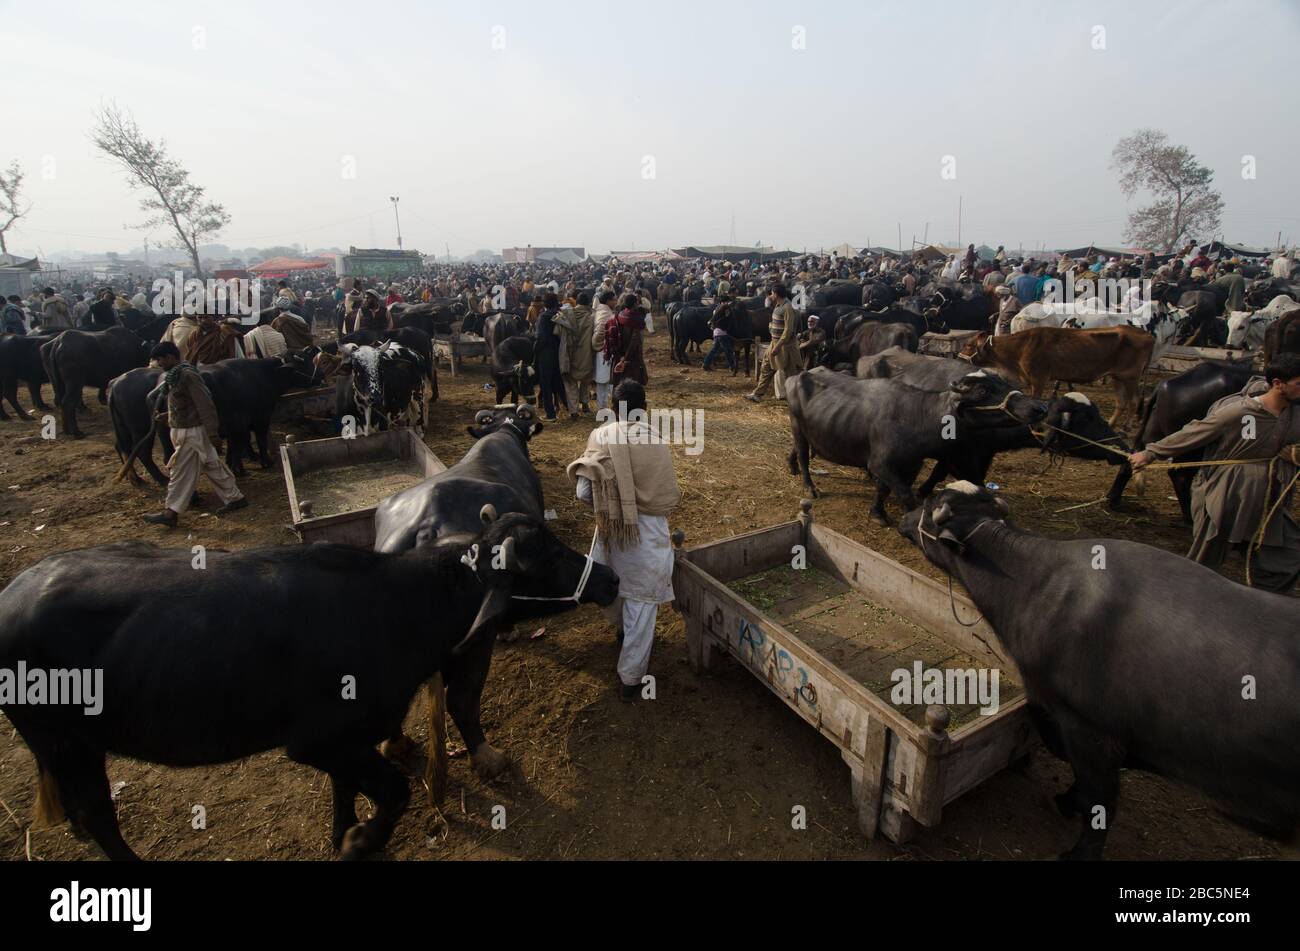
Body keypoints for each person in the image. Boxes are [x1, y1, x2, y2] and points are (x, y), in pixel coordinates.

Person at [1129, 353, 1300, 593]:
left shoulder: (1295, 416)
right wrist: (1150, 453)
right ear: (1278, 384)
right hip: (1227, 490)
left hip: (1268, 496)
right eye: (1299, 383)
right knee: (1204, 559)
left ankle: (1264, 601)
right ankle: (1182, 600)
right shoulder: (1239, 412)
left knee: (1290, 553)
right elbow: (1195, 432)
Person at [567, 380, 681, 702]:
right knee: (642, 607)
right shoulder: (656, 438)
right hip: (650, 537)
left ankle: (620, 632)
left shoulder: (601, 436)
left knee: (614, 587)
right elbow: (669, 496)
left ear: (613, 407)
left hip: (611, 533)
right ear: (644, 408)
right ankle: (631, 679)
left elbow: (583, 492)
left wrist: (612, 508)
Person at [142, 342, 247, 528]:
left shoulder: (187, 376)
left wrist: (213, 434)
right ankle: (235, 497)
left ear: (172, 357)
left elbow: (205, 405)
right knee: (212, 464)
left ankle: (171, 512)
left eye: (161, 358)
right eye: (157, 359)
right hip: (187, 429)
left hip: (191, 433)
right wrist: (169, 415)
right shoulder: (175, 376)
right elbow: (186, 405)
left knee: (179, 472)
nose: (159, 363)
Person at [745, 283, 800, 402]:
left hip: (784, 346)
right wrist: (771, 326)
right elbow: (776, 323)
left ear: (776, 294)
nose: (770, 296)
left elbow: (788, 330)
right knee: (766, 367)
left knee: (790, 372)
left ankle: (800, 397)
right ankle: (757, 394)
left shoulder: (788, 308)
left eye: (771, 293)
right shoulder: (778, 306)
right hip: (774, 343)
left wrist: (778, 346)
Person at [555, 291, 595, 417]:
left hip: (569, 355)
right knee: (585, 381)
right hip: (586, 355)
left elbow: (557, 332)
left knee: (571, 383)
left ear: (576, 302)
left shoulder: (565, 315)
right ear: (588, 304)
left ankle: (573, 411)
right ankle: (585, 405)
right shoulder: (591, 317)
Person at [533, 292, 568, 421]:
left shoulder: (543, 317)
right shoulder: (560, 315)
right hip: (559, 352)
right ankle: (570, 409)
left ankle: (550, 414)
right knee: (558, 382)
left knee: (546, 384)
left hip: (546, 355)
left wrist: (534, 350)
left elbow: (541, 338)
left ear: (544, 303)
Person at [607, 293, 648, 389]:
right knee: (630, 388)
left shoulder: (620, 315)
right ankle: (629, 404)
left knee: (621, 386)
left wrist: (621, 358)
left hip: (618, 355)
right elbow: (634, 342)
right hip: (631, 360)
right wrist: (624, 360)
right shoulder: (636, 320)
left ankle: (621, 404)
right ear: (634, 304)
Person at [591, 290, 617, 409]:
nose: (616, 301)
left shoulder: (602, 310)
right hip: (604, 350)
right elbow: (600, 332)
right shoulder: (605, 313)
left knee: (605, 380)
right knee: (605, 380)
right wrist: (599, 345)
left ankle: (604, 407)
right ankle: (604, 408)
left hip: (604, 350)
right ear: (608, 301)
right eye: (614, 299)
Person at [702, 298, 739, 373]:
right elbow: (728, 319)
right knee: (727, 350)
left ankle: (706, 364)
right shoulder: (726, 309)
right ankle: (732, 367)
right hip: (722, 333)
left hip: (716, 332)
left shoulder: (717, 309)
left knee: (714, 349)